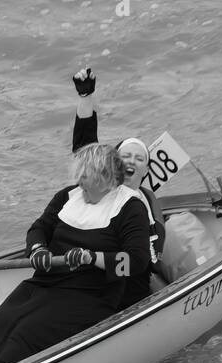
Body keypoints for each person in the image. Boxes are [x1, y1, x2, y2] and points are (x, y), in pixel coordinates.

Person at [0, 142, 151, 363]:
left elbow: (137, 262)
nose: (79, 179)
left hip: (90, 294)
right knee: (2, 321)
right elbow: (39, 229)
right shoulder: (68, 196)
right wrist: (38, 249)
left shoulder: (130, 207)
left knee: (27, 331)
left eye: (85, 173)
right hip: (45, 281)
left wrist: (93, 257)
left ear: (106, 178)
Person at [72, 66, 167, 306]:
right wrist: (85, 97)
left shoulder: (145, 201)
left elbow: (145, 259)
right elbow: (85, 147)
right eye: (125, 156)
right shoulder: (103, 188)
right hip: (96, 275)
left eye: (139, 158)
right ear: (113, 163)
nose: (131, 161)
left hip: (131, 280)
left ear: (146, 170)